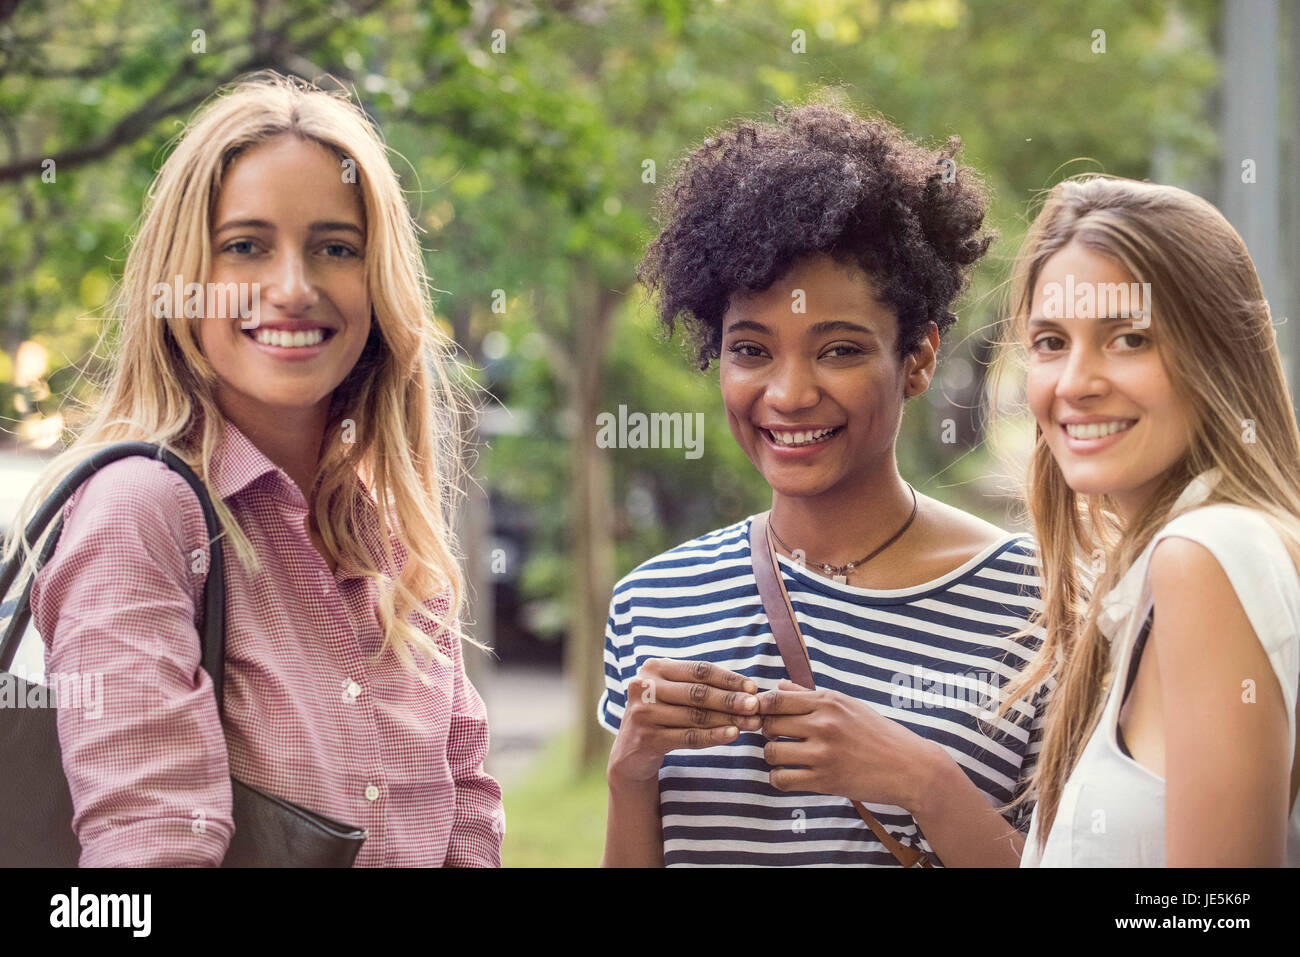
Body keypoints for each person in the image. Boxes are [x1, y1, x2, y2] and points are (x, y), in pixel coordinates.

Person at [4, 71, 503, 867]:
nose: (294, 288)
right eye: (246, 246)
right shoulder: (142, 512)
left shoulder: (397, 552)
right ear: (183, 278)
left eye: (335, 248)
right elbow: (150, 855)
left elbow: (468, 830)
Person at [597, 97, 1048, 866]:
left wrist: (926, 781)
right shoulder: (654, 603)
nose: (789, 394)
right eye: (752, 350)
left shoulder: (1034, 604)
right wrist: (631, 775)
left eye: (838, 350)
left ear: (918, 358)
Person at [991, 174, 1300, 866]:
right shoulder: (1169, 565)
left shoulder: (1206, 554)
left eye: (1129, 338)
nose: (1075, 381)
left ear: (1216, 354)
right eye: (1049, 341)